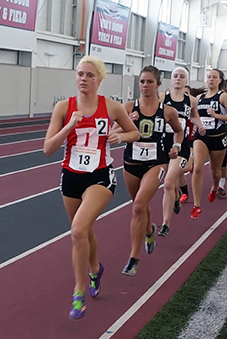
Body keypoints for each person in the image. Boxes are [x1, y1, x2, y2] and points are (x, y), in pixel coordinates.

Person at [43, 56, 139, 320]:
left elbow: (135, 134)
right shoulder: (64, 108)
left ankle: (78, 291)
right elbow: (48, 149)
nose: (83, 79)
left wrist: (120, 135)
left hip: (100, 175)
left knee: (77, 230)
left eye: (89, 75)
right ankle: (95, 269)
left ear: (99, 80)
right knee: (83, 232)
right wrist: (69, 126)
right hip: (71, 176)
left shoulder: (111, 107)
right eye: (79, 74)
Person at [111, 65, 184, 276]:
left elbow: (179, 132)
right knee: (139, 206)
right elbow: (111, 133)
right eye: (142, 82)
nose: (145, 86)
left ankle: (133, 258)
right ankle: (149, 230)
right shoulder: (128, 107)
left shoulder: (168, 111)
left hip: (156, 163)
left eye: (150, 82)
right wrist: (125, 125)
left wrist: (176, 147)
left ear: (158, 85)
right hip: (131, 164)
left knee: (138, 206)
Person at [156, 66, 201, 238]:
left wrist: (200, 125)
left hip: (181, 146)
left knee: (168, 183)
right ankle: (176, 198)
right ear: (171, 78)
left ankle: (165, 224)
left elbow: (194, 116)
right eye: (175, 76)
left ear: (186, 80)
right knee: (170, 183)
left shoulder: (191, 101)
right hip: (162, 144)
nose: (178, 79)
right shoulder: (162, 97)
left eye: (182, 76)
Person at [191, 69, 227, 219]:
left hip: (218, 138)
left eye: (214, 77)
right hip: (202, 137)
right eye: (209, 77)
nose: (211, 79)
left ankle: (214, 187)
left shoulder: (223, 97)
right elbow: (193, 116)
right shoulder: (199, 97)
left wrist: (216, 115)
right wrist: (198, 125)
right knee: (198, 167)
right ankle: (197, 206)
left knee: (215, 171)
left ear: (220, 80)